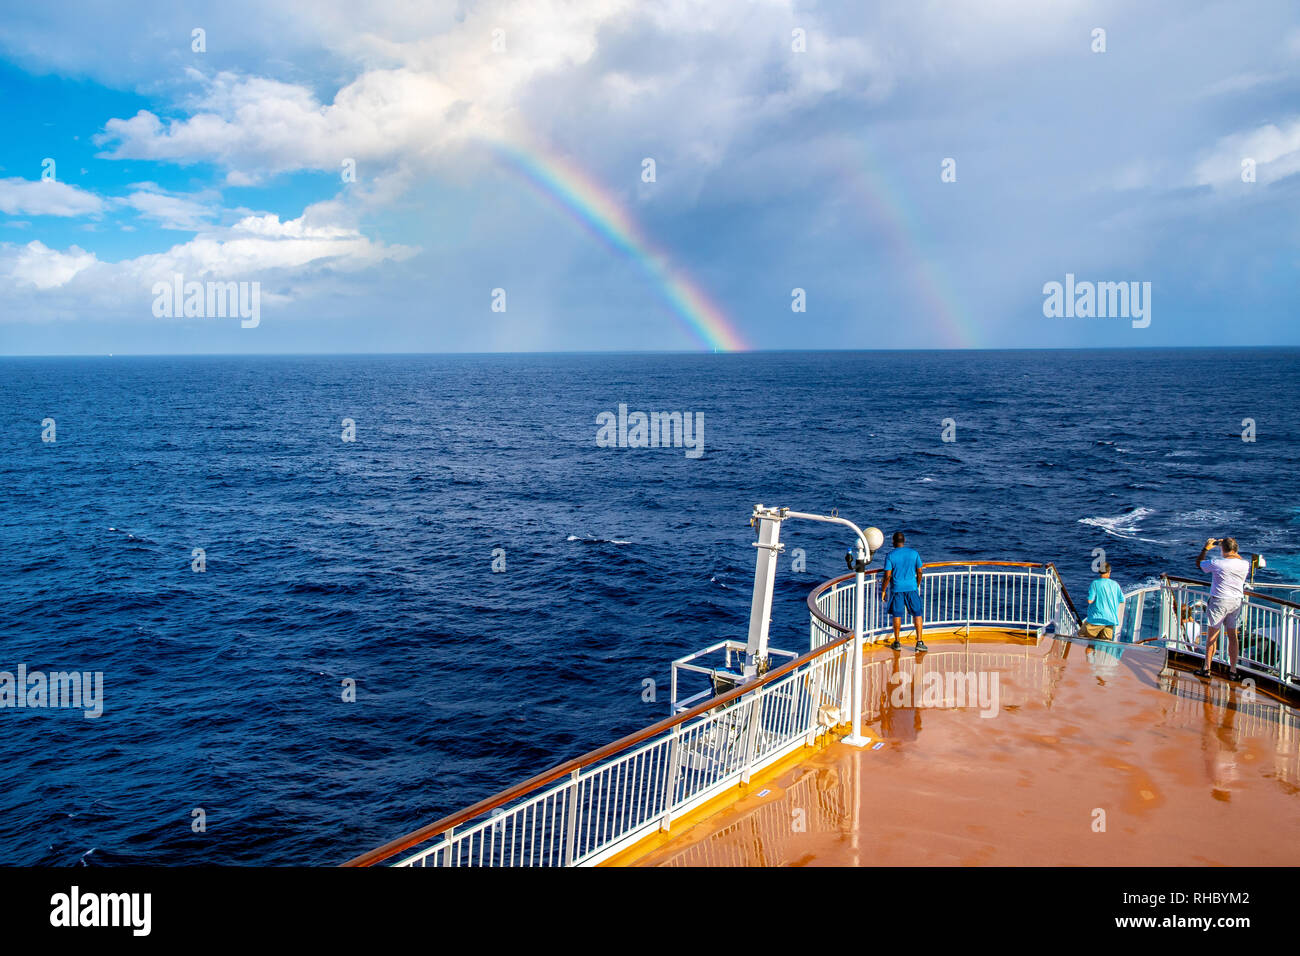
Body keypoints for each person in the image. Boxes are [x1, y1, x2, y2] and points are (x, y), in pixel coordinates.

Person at [1195, 536, 1249, 680]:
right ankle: (1232, 671)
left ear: (1223, 549)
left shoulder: (1217, 563)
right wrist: (1225, 546)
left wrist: (1206, 548)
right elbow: (1237, 557)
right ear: (1235, 549)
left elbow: (1199, 564)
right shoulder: (1245, 564)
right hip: (1236, 602)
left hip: (1219, 601)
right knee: (1233, 637)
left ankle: (1207, 668)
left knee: (1212, 635)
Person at [881, 531, 925, 652]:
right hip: (912, 588)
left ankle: (897, 642)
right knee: (917, 613)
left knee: (897, 614)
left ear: (893, 542)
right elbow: (920, 572)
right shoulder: (914, 553)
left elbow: (887, 576)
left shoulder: (890, 555)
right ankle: (919, 642)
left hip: (897, 589)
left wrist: (883, 590)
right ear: (904, 541)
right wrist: (917, 583)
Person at [1081, 563, 1125, 641]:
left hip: (1096, 619)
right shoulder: (1115, 584)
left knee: (1081, 639)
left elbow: (1090, 601)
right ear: (1109, 571)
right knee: (1104, 646)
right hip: (1110, 620)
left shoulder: (1095, 583)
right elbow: (1122, 599)